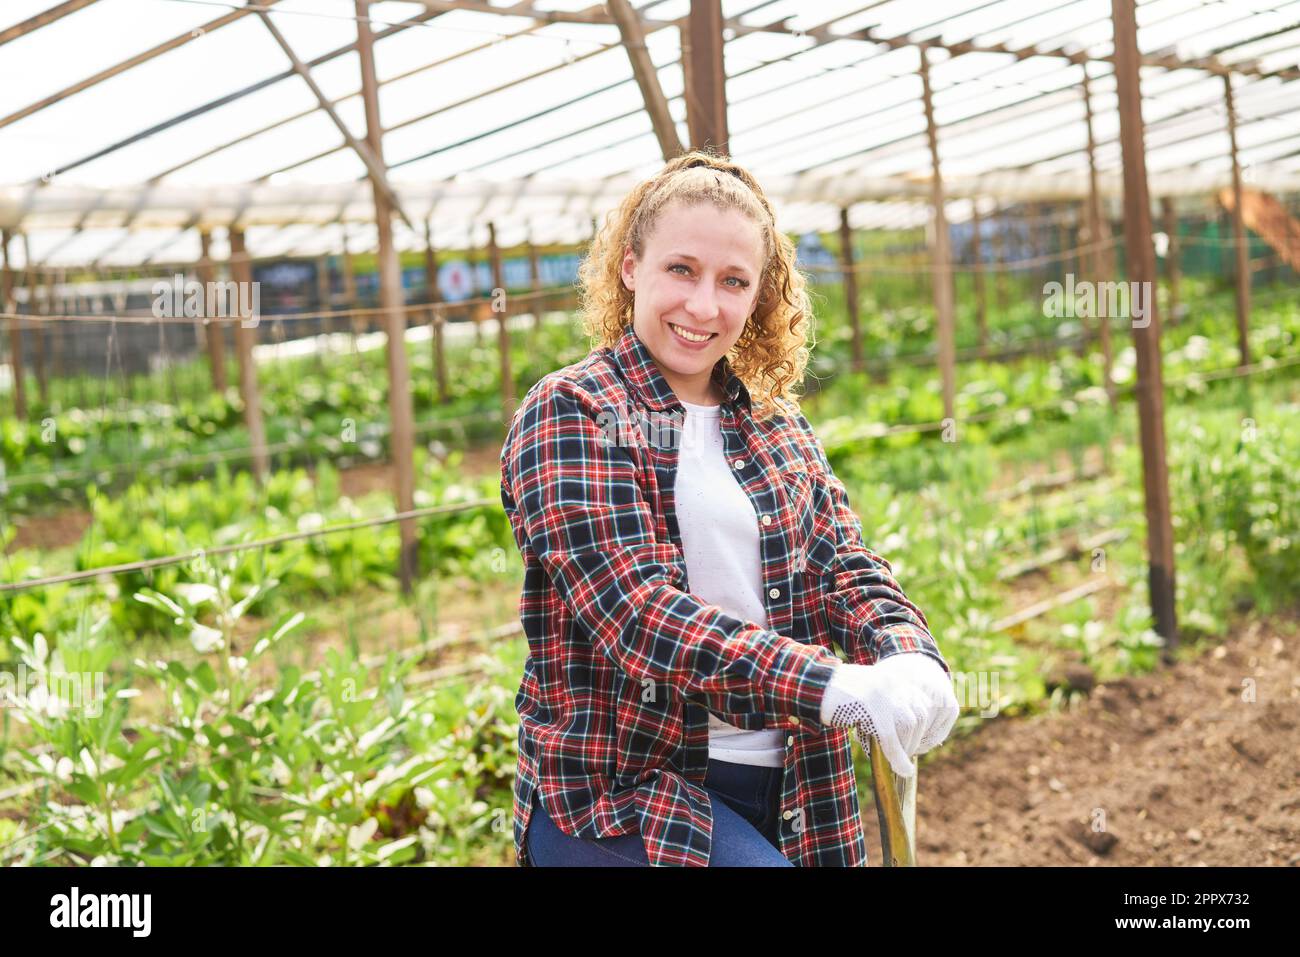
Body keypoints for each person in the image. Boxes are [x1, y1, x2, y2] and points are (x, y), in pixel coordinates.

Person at [498, 149, 959, 867]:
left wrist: (908, 651)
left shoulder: (774, 424)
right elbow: (639, 614)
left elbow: (842, 566)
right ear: (630, 267)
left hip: (798, 786)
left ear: (758, 297)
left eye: (733, 281)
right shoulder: (574, 411)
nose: (704, 305)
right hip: (629, 793)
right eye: (681, 269)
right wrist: (830, 684)